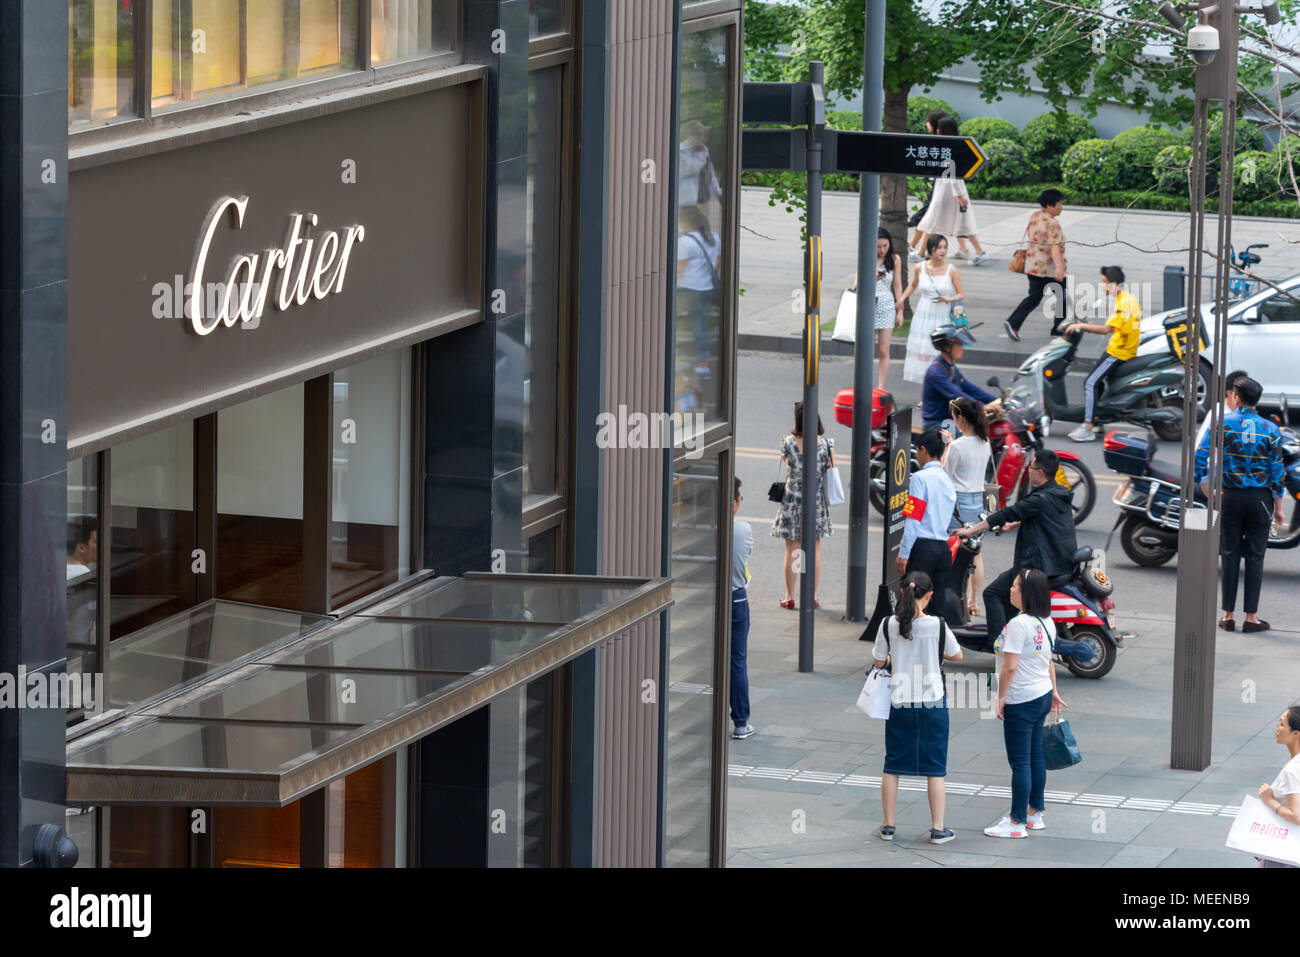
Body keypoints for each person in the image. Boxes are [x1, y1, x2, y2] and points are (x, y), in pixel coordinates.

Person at [872, 571, 964, 845]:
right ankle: (938, 828)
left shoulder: (888, 624)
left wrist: (893, 658)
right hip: (933, 704)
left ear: (902, 592)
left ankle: (888, 826)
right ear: (929, 596)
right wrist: (934, 652)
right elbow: (958, 655)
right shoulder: (938, 625)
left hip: (900, 703)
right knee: (935, 768)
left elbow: (878, 661)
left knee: (893, 765)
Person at [956, 449, 1078, 641]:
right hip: (1058, 562)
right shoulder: (1059, 493)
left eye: (1032, 467)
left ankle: (998, 644)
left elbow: (1005, 513)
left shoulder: (1039, 499)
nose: (1028, 471)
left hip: (1039, 565)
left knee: (992, 593)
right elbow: (1041, 516)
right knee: (1008, 592)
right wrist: (1014, 525)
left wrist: (970, 531)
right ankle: (1011, 634)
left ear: (1041, 472)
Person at [1194, 375, 1285, 632]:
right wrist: (1278, 506)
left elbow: (1201, 456)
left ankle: (1227, 615)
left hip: (1229, 496)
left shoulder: (1222, 423)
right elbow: (1276, 470)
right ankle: (1251, 618)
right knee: (1255, 557)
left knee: (1230, 554)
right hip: (1260, 499)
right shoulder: (1270, 429)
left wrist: (1205, 486)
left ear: (1236, 397)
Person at [983, 569, 1067, 839]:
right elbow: (1048, 661)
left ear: (1027, 592)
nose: (1011, 590)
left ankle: (1016, 822)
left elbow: (1009, 667)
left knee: (1020, 762)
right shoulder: (1047, 621)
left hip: (1022, 699)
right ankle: (1035, 814)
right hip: (1041, 694)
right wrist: (1053, 690)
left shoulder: (1019, 625)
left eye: (1016, 586)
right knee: (1035, 757)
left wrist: (1001, 698)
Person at [1063, 265, 1143, 441]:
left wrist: (1081, 326)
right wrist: (1090, 325)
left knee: (1090, 383)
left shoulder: (1123, 303)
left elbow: (1107, 329)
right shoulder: (1127, 298)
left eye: (1104, 282)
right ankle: (1097, 420)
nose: (1102, 286)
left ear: (1114, 284)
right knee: (1097, 382)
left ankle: (1088, 426)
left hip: (1119, 352)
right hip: (1122, 348)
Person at [772, 401, 833, 609]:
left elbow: (784, 461)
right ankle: (811, 596)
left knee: (793, 549)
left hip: (792, 501)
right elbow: (830, 468)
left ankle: (790, 596)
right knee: (813, 549)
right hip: (815, 500)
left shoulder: (788, 443)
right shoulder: (825, 444)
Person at [897, 430, 957, 621]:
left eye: (917, 451)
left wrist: (903, 554)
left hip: (922, 549)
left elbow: (913, 519)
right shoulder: (947, 480)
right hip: (943, 550)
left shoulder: (920, 478)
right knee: (936, 609)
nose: (916, 455)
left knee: (910, 606)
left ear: (923, 449)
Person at [942, 396, 992, 615]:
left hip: (958, 502)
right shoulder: (985, 442)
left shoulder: (957, 447)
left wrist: (947, 446)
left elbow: (945, 475)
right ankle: (973, 601)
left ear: (960, 418)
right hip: (977, 501)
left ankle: (955, 599)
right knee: (975, 552)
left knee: (954, 549)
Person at [916, 117, 988, 265]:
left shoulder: (947, 144)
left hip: (949, 189)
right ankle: (979, 252)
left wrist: (958, 194)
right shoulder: (959, 143)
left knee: (932, 219)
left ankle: (920, 253)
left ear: (940, 130)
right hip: (953, 187)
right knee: (963, 223)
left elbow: (951, 171)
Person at [1005, 188, 1068, 342]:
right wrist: (1059, 268)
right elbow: (1054, 246)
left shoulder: (1035, 216)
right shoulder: (1053, 222)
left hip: (1032, 266)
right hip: (1049, 269)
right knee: (1062, 297)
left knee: (1034, 297)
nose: (1061, 207)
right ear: (1049, 205)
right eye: (1059, 204)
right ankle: (1058, 329)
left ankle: (1013, 323)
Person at [901, 235, 963, 384]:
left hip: (942, 315)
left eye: (944, 247)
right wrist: (901, 299)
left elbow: (961, 294)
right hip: (923, 313)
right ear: (930, 249)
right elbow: (913, 285)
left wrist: (947, 299)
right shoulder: (920, 267)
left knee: (937, 352)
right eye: (938, 248)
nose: (942, 251)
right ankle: (926, 389)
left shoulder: (951, 270)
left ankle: (940, 385)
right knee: (923, 353)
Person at [852, 227, 905, 390]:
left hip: (887, 306)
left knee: (883, 349)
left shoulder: (895, 259)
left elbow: (897, 285)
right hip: (867, 305)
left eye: (885, 246)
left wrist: (900, 310)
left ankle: (881, 387)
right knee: (866, 348)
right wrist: (871, 278)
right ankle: (863, 384)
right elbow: (855, 285)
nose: (882, 250)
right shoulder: (866, 257)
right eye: (878, 246)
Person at [921, 324, 1000, 430]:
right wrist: (983, 407)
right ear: (947, 347)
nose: (962, 348)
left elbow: (971, 389)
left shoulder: (949, 367)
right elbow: (958, 396)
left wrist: (997, 400)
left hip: (950, 420)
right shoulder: (936, 372)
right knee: (976, 436)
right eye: (959, 344)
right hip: (938, 424)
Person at [677, 205, 722, 381]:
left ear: (686, 222)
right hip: (706, 288)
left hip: (687, 289)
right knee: (700, 326)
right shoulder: (714, 238)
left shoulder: (685, 242)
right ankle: (702, 364)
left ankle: (676, 358)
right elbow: (717, 262)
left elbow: (679, 269)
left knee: (672, 323)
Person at [1255, 705, 1300, 867]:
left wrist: (1269, 800)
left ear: (1296, 734)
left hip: (1285, 854)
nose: (1277, 728)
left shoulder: (1293, 770)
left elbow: (1296, 816)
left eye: (1282, 724)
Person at [730, 477, 755, 740]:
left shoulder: (698, 527)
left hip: (707, 601)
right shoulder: (743, 529)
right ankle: (740, 722)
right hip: (736, 600)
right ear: (735, 502)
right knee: (737, 661)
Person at [907, 110, 948, 259]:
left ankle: (917, 250)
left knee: (928, 217)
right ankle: (912, 246)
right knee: (928, 216)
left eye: (928, 121)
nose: (926, 124)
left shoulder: (940, 143)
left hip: (941, 186)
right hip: (938, 184)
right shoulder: (940, 141)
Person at [679, 118, 722, 211]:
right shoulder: (682, 150)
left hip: (703, 198)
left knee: (704, 224)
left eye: (705, 135)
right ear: (692, 136)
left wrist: (718, 193)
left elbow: (710, 173)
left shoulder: (703, 150)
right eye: (701, 135)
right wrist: (701, 155)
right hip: (686, 201)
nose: (704, 138)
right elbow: (689, 169)